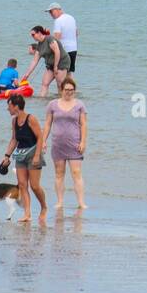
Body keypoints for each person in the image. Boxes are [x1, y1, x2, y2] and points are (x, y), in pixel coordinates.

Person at [0, 95, 47, 223]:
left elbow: (40, 137)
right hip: (20, 154)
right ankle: (27, 213)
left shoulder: (31, 119)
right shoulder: (14, 121)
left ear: (16, 106)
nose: (7, 109)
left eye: (9, 106)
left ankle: (44, 207)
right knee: (22, 185)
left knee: (35, 186)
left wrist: (37, 155)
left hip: (33, 153)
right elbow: (14, 139)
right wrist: (6, 156)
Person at [43, 75, 87, 209]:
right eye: (67, 89)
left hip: (74, 144)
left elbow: (83, 125)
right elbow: (47, 124)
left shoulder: (80, 105)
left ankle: (81, 203)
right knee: (59, 173)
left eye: (71, 89)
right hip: (58, 144)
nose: (69, 92)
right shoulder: (52, 104)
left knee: (76, 173)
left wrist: (83, 142)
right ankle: (60, 202)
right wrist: (43, 141)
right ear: (61, 90)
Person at [26, 24, 64, 97]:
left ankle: (62, 101)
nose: (32, 37)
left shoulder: (49, 39)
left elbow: (57, 51)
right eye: (31, 35)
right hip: (50, 65)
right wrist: (27, 75)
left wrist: (56, 66)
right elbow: (34, 61)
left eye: (33, 34)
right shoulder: (39, 45)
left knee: (60, 84)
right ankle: (41, 100)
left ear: (39, 33)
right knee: (44, 83)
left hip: (61, 63)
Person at [47, 3, 78, 74]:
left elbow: (57, 37)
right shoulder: (71, 18)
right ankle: (72, 85)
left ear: (57, 10)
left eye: (51, 12)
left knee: (60, 73)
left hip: (63, 51)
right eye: (49, 12)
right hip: (73, 49)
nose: (50, 14)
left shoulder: (58, 20)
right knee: (69, 72)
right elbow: (76, 33)